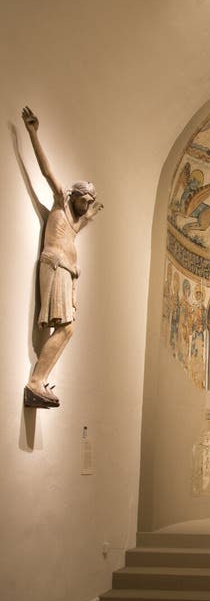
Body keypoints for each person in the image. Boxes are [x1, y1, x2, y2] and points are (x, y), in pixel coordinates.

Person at [21, 107, 103, 408]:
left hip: (66, 272)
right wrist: (33, 133)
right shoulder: (60, 200)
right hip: (56, 266)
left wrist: (90, 216)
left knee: (68, 329)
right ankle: (35, 381)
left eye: (91, 202)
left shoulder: (75, 218)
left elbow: (77, 227)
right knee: (67, 328)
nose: (87, 205)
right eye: (85, 199)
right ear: (74, 194)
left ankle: (39, 381)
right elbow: (45, 170)